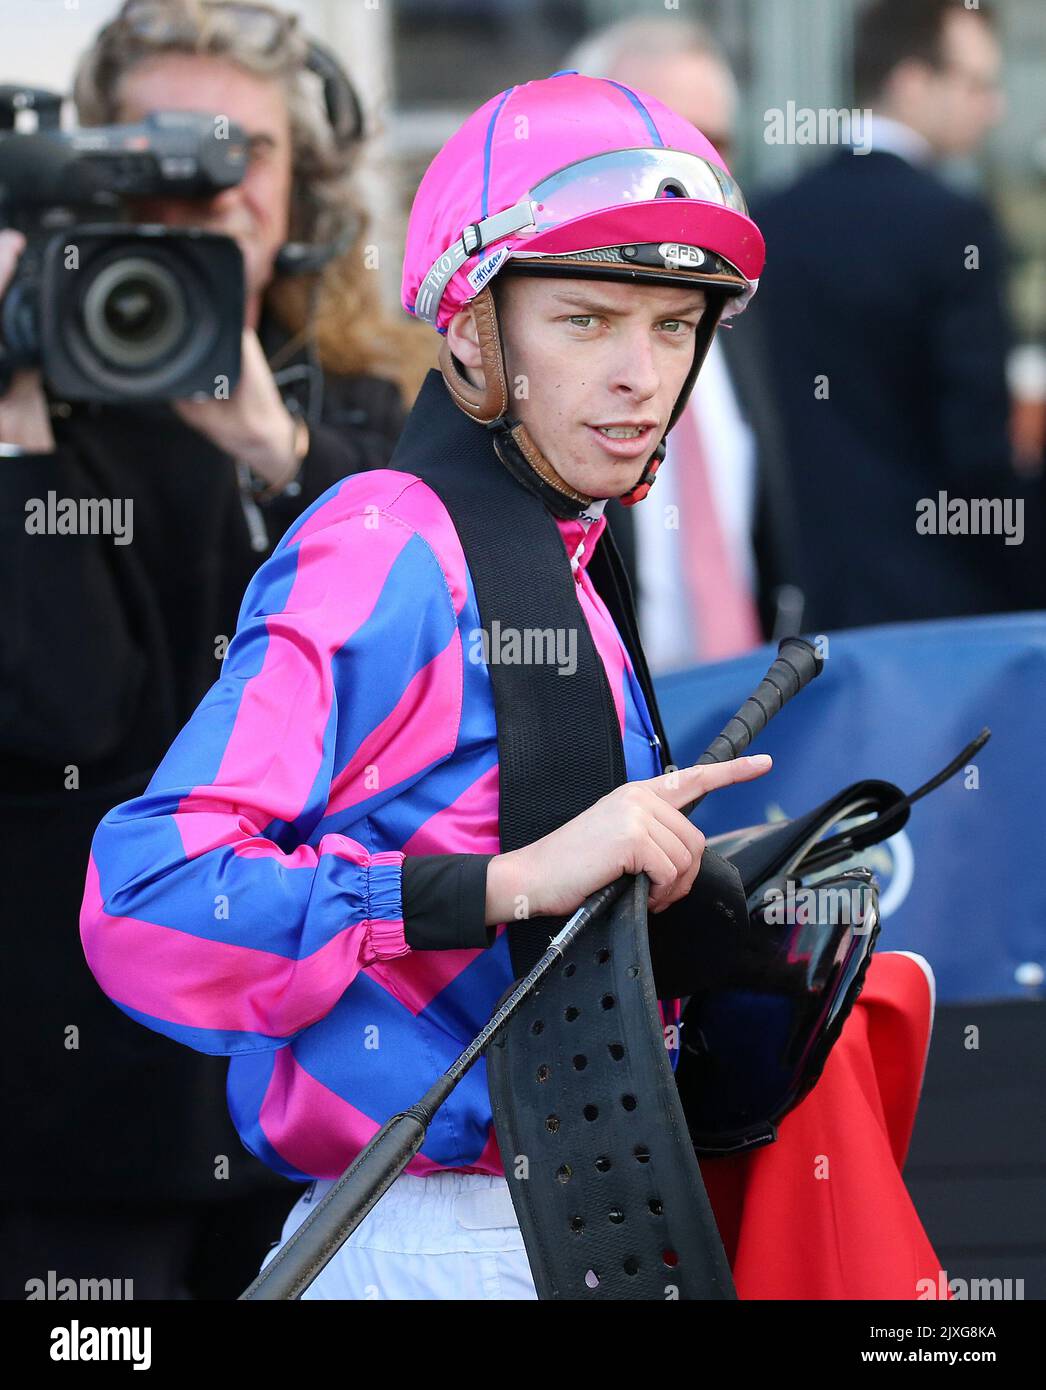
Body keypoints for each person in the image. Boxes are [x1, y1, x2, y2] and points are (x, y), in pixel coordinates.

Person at [80, 73, 944, 1301]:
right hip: (434, 1234)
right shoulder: (385, 539)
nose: (641, 374)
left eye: (670, 326)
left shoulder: (571, 552)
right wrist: (496, 885)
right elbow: (151, 891)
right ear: (472, 328)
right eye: (586, 320)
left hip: (584, 1215)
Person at [0, 0, 426, 1301]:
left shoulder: (374, 406)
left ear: (303, 181)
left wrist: (281, 456)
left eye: (235, 150)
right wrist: (16, 420)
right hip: (76, 1116)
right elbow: (57, 714)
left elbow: (429, 684)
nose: (201, 192)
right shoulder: (44, 405)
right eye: (152, 153)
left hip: (326, 1085)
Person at [752, 0, 1038, 632]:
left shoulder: (774, 215)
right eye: (976, 85)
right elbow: (976, 448)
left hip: (798, 589)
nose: (993, 108)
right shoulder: (951, 222)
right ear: (910, 81)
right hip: (935, 600)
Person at [566, 16, 803, 667]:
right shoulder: (539, 343)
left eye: (717, 142)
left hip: (746, 711)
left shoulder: (747, 311)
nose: (702, 174)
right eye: (665, 145)